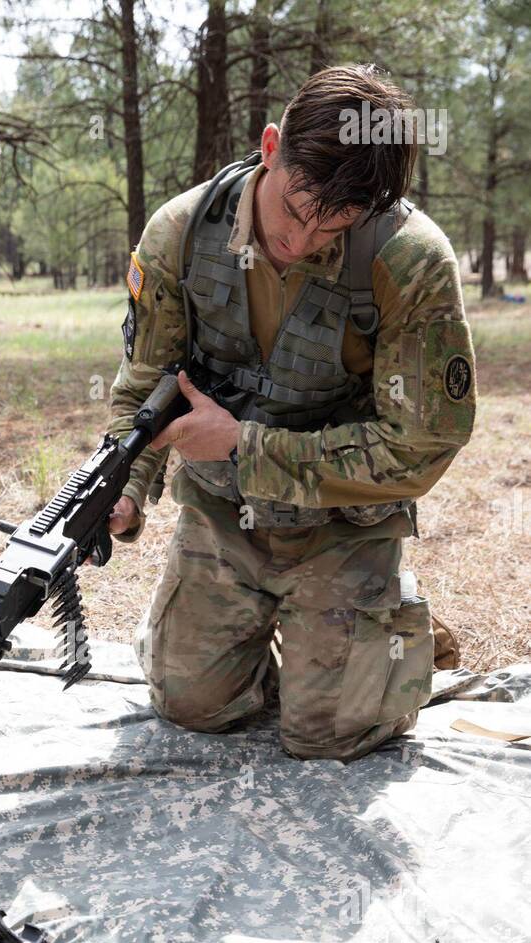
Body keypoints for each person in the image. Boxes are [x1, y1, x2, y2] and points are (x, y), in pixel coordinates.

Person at [107, 65, 475, 761]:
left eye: (333, 223)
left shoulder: (408, 259)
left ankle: (383, 618)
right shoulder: (182, 234)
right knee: (190, 704)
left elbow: (421, 446)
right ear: (270, 147)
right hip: (222, 514)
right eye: (295, 208)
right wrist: (124, 488)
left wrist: (245, 447)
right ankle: (306, 641)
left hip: (342, 526)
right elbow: (148, 388)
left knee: (331, 733)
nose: (301, 241)